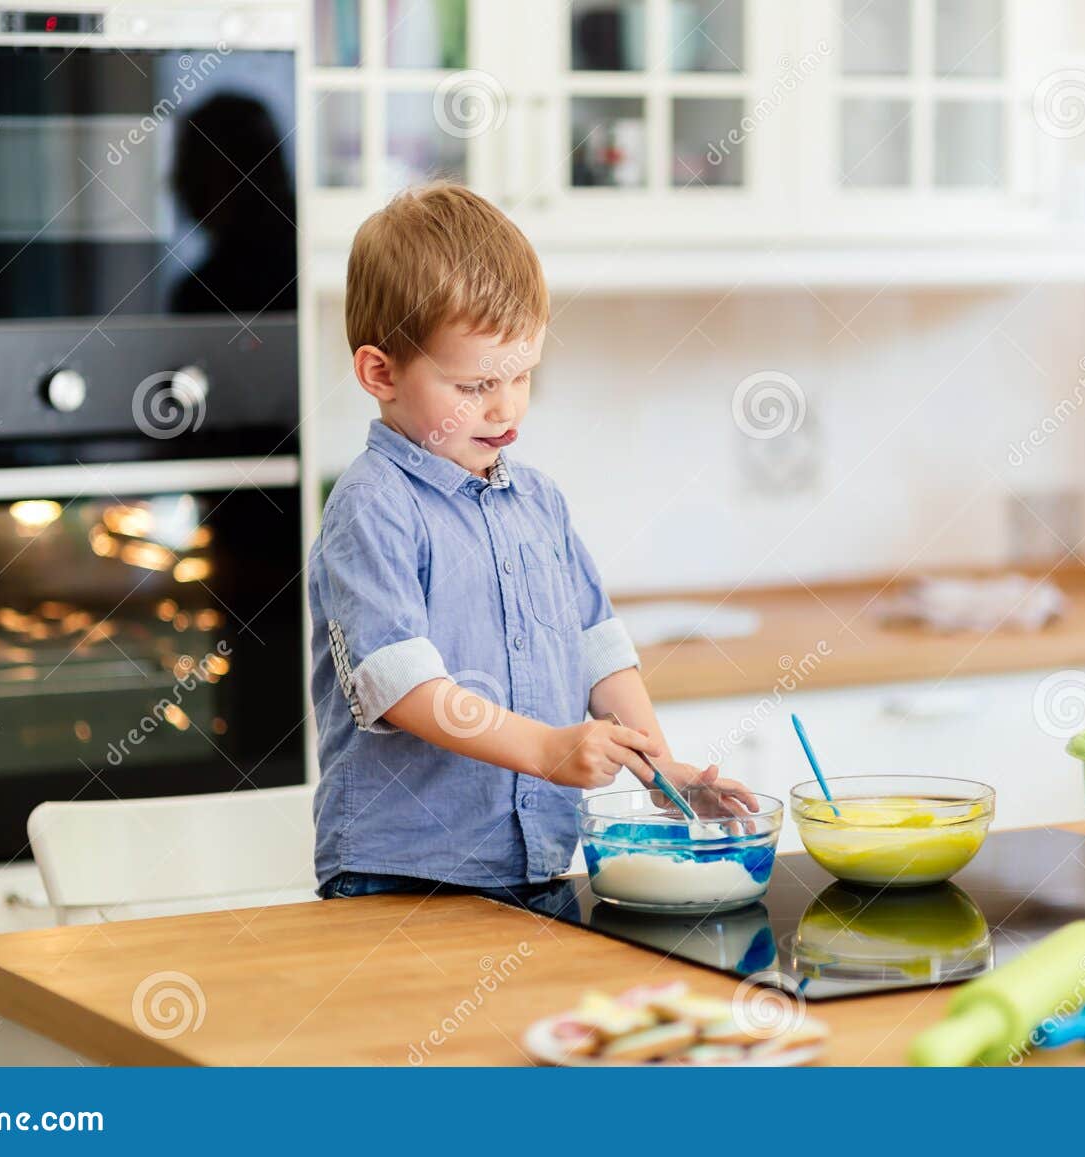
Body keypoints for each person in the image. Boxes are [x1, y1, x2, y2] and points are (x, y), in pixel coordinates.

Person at [309, 183, 753, 907]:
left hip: (538, 862)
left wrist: (667, 775)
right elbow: (402, 688)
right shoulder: (372, 505)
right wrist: (548, 749)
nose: (506, 405)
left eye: (522, 375)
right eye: (475, 382)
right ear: (379, 373)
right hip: (403, 874)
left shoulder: (538, 501)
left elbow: (597, 647)